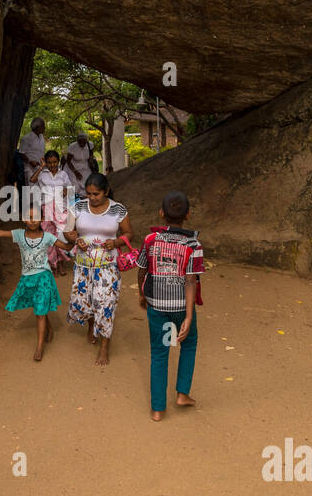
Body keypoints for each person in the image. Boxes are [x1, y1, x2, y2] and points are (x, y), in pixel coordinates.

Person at [137, 191, 205, 422]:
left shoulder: (151, 240)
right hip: (180, 307)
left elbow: (141, 271)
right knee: (188, 342)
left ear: (161, 213)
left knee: (160, 352)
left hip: (157, 306)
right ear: (188, 215)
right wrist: (188, 316)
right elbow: (190, 281)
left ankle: (158, 409)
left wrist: (142, 295)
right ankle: (182, 394)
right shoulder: (193, 245)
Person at [0, 204, 74, 361]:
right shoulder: (19, 234)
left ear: (42, 219)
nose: (32, 221)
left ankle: (39, 347)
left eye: (36, 218)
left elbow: (67, 246)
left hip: (43, 277)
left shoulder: (48, 237)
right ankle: (49, 329)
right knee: (38, 308)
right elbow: (0, 232)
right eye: (29, 218)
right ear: (23, 219)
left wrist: (73, 239)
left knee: (39, 313)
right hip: (27, 278)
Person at [63, 173, 132, 366]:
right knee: (87, 300)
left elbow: (129, 233)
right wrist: (76, 239)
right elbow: (67, 232)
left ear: (106, 191)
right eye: (89, 194)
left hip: (108, 267)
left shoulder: (118, 210)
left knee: (105, 303)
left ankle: (104, 346)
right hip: (83, 267)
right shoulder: (77, 207)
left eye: (96, 194)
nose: (92, 198)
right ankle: (91, 324)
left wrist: (116, 241)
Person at [29, 150, 76, 275]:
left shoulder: (63, 175)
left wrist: (67, 191)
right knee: (49, 238)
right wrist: (41, 167)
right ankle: (53, 265)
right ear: (46, 162)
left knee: (61, 236)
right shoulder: (42, 174)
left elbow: (71, 191)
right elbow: (32, 180)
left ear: (58, 162)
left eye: (54, 162)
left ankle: (61, 263)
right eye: (49, 162)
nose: (52, 165)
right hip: (46, 209)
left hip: (61, 209)